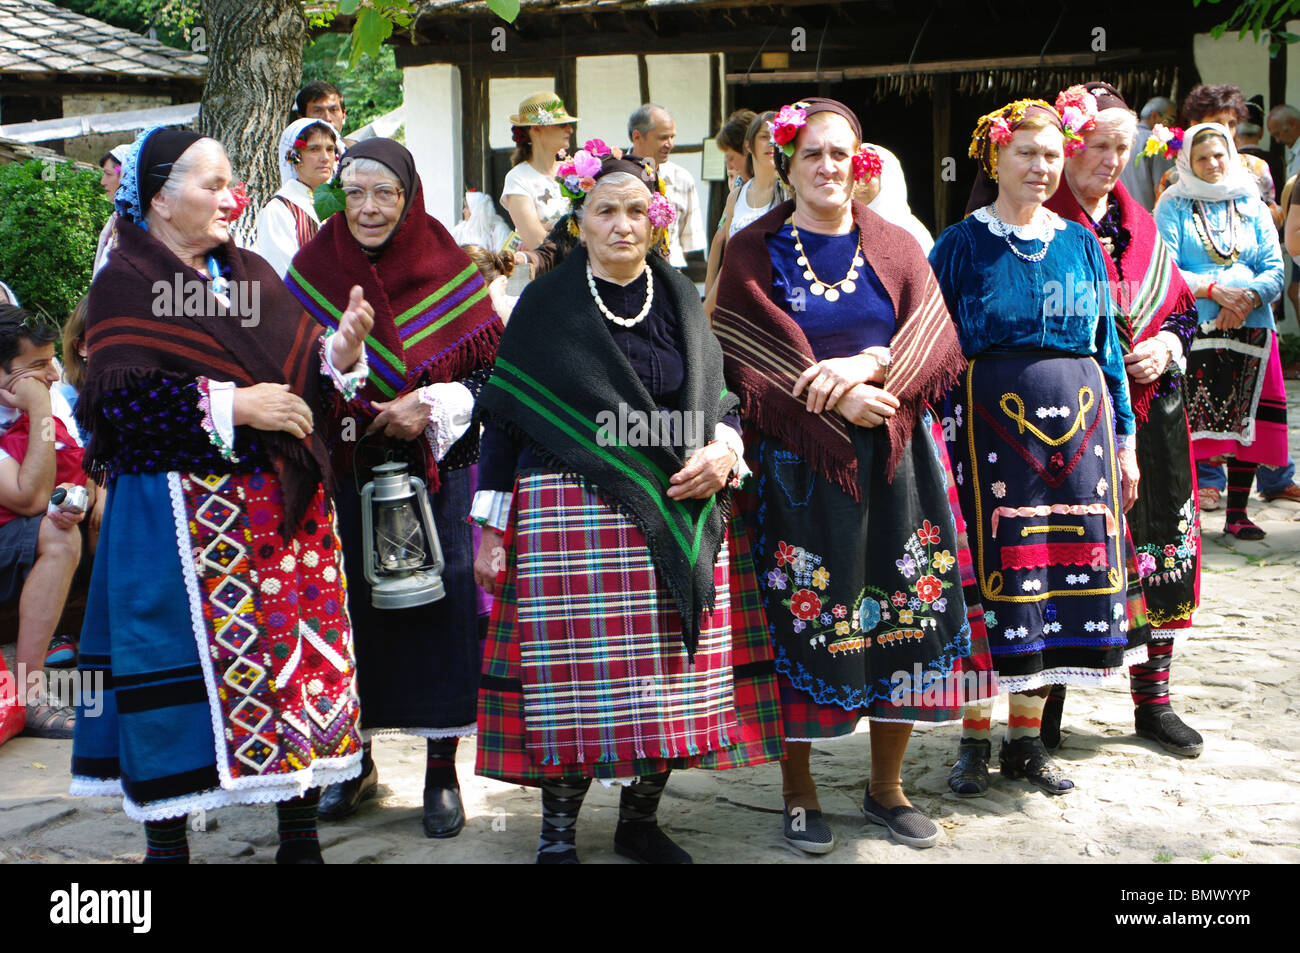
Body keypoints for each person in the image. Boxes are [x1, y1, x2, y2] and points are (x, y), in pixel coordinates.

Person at [70, 126, 374, 863]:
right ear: (159, 199)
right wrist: (236, 407)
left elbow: (301, 383)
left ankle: (299, 839)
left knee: (291, 665)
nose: (230, 197)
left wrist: (338, 354)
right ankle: (166, 845)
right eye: (212, 184)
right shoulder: (126, 286)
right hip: (174, 520)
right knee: (166, 669)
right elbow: (114, 409)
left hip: (277, 523)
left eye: (232, 181)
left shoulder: (249, 279)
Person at [472, 148, 783, 865]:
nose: (622, 224)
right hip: (571, 517)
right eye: (605, 211)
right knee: (573, 681)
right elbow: (507, 417)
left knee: (668, 678)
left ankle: (638, 822)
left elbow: (720, 396)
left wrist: (726, 449)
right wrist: (492, 528)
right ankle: (557, 835)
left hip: (677, 506)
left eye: (636, 210)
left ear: (656, 219)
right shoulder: (546, 305)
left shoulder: (675, 294)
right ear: (578, 222)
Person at [715, 98, 992, 853]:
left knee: (904, 608)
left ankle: (886, 788)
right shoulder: (751, 251)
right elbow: (738, 353)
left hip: (898, 460)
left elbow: (934, 337)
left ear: (859, 161)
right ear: (787, 162)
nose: (829, 167)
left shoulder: (897, 244)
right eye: (812, 154)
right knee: (807, 617)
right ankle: (799, 792)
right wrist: (834, 389)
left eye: (842, 153)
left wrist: (874, 371)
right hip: (798, 468)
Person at [932, 96, 1148, 800]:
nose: (1040, 165)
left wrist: (1124, 437)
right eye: (1026, 152)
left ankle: (1027, 740)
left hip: (1080, 436)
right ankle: (971, 739)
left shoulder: (1082, 243)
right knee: (992, 579)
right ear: (996, 156)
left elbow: (1107, 347)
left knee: (1055, 576)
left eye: (1052, 154)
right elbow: (932, 350)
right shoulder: (961, 244)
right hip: (989, 435)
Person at [286, 139, 502, 838]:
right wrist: (340, 372)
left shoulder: (449, 267)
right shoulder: (314, 269)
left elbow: (492, 376)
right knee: (351, 618)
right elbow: (289, 371)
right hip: (343, 470)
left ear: (409, 196)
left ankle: (441, 770)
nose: (369, 208)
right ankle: (354, 762)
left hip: (435, 468)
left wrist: (432, 405)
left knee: (439, 616)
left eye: (385, 193)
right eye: (355, 193)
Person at [1043, 82, 1204, 758]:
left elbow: (1183, 312)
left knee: (1159, 547)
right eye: (1098, 146)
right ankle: (1040, 711)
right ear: (1068, 148)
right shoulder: (1038, 223)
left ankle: (1154, 701)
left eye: (1122, 147)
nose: (1112, 159)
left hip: (1154, 420)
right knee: (1060, 559)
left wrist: (1170, 344)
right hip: (1069, 422)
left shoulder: (1142, 226)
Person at [1154, 124, 1288, 539]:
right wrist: (1216, 291)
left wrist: (1246, 298)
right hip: (1198, 324)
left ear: (1231, 155)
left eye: (1219, 155)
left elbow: (1275, 268)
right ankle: (1187, 517)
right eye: (1202, 157)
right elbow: (1168, 267)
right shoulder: (1172, 205)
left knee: (1248, 420)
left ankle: (1237, 513)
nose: (1212, 164)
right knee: (1191, 421)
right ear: (1187, 162)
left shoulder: (1252, 203)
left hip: (1253, 324)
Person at [0, 306, 89, 738]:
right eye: (37, 366)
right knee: (59, 536)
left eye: (52, 360)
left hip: (13, 537)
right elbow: (30, 496)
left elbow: (75, 472)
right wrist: (38, 409)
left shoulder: (37, 405)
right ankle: (31, 697)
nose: (53, 375)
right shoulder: (36, 406)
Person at [705, 110, 785, 305]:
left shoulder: (789, 191)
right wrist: (708, 302)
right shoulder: (737, 193)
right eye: (764, 137)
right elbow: (721, 242)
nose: (729, 164)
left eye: (731, 156)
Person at [254, 118, 344, 279]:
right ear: (294, 157)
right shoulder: (280, 209)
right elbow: (283, 272)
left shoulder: (342, 203)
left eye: (330, 149)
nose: (325, 158)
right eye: (314, 149)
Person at [628, 104, 705, 269]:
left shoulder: (682, 179)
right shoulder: (616, 178)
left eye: (672, 137)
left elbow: (691, 244)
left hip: (670, 276)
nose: (670, 144)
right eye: (663, 138)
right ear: (637, 136)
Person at [500, 92, 577, 249]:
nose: (570, 130)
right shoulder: (518, 178)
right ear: (536, 129)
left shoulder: (571, 171)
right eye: (562, 124)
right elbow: (536, 243)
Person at [852, 142, 934, 254]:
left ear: (887, 177)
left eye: (868, 175)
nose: (860, 182)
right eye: (854, 174)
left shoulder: (913, 232)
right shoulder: (836, 227)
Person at [1119, 97, 1176, 212]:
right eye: (1170, 120)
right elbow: (1162, 187)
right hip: (1148, 217)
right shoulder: (1157, 142)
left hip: (1120, 215)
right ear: (1154, 116)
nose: (1171, 125)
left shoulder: (1122, 138)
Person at [93, 144, 130, 276]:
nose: (103, 182)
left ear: (125, 176)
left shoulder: (135, 227)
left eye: (108, 174)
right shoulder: (116, 220)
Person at [715, 108, 757, 189]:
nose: (729, 166)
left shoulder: (782, 189)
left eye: (731, 158)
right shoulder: (739, 190)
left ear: (748, 149)